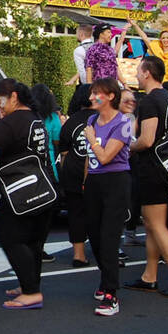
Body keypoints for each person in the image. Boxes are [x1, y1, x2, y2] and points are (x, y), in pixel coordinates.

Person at [0, 79, 52, 310]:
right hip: (43, 187)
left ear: (13, 97)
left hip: (18, 191)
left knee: (11, 238)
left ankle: (31, 293)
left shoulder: (10, 123)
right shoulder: (35, 119)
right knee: (33, 241)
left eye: (0, 101)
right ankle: (30, 285)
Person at [124, 55, 168, 297]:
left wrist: (127, 146)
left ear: (147, 73)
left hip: (152, 168)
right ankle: (149, 276)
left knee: (155, 224)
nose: (136, 75)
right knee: (155, 225)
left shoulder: (151, 100)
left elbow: (147, 140)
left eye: (138, 70)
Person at [83, 77, 133, 316]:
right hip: (94, 182)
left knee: (109, 238)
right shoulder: (92, 120)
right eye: (92, 93)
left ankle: (112, 294)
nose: (92, 97)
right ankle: (106, 281)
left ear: (111, 96)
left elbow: (105, 157)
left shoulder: (123, 123)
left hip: (116, 181)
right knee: (94, 236)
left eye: (96, 94)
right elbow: (90, 159)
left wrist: (92, 140)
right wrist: (86, 181)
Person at [57, 87, 95, 267]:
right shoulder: (103, 118)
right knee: (100, 212)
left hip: (73, 170)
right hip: (97, 171)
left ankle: (78, 255)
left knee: (75, 213)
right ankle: (104, 251)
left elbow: (64, 152)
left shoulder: (71, 122)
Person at [128, 19, 168, 85]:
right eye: (163, 38)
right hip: (159, 82)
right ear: (160, 39)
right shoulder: (156, 50)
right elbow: (145, 38)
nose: (165, 40)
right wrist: (135, 25)